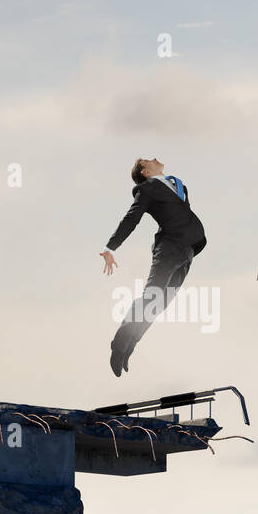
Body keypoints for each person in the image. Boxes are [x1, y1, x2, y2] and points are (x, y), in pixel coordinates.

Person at [100, 157, 207, 377]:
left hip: (188, 251)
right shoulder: (146, 189)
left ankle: (130, 345)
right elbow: (132, 218)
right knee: (152, 295)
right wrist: (111, 247)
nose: (155, 158)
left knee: (160, 304)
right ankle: (119, 344)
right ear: (145, 172)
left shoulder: (177, 185)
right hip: (169, 247)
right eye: (148, 160)